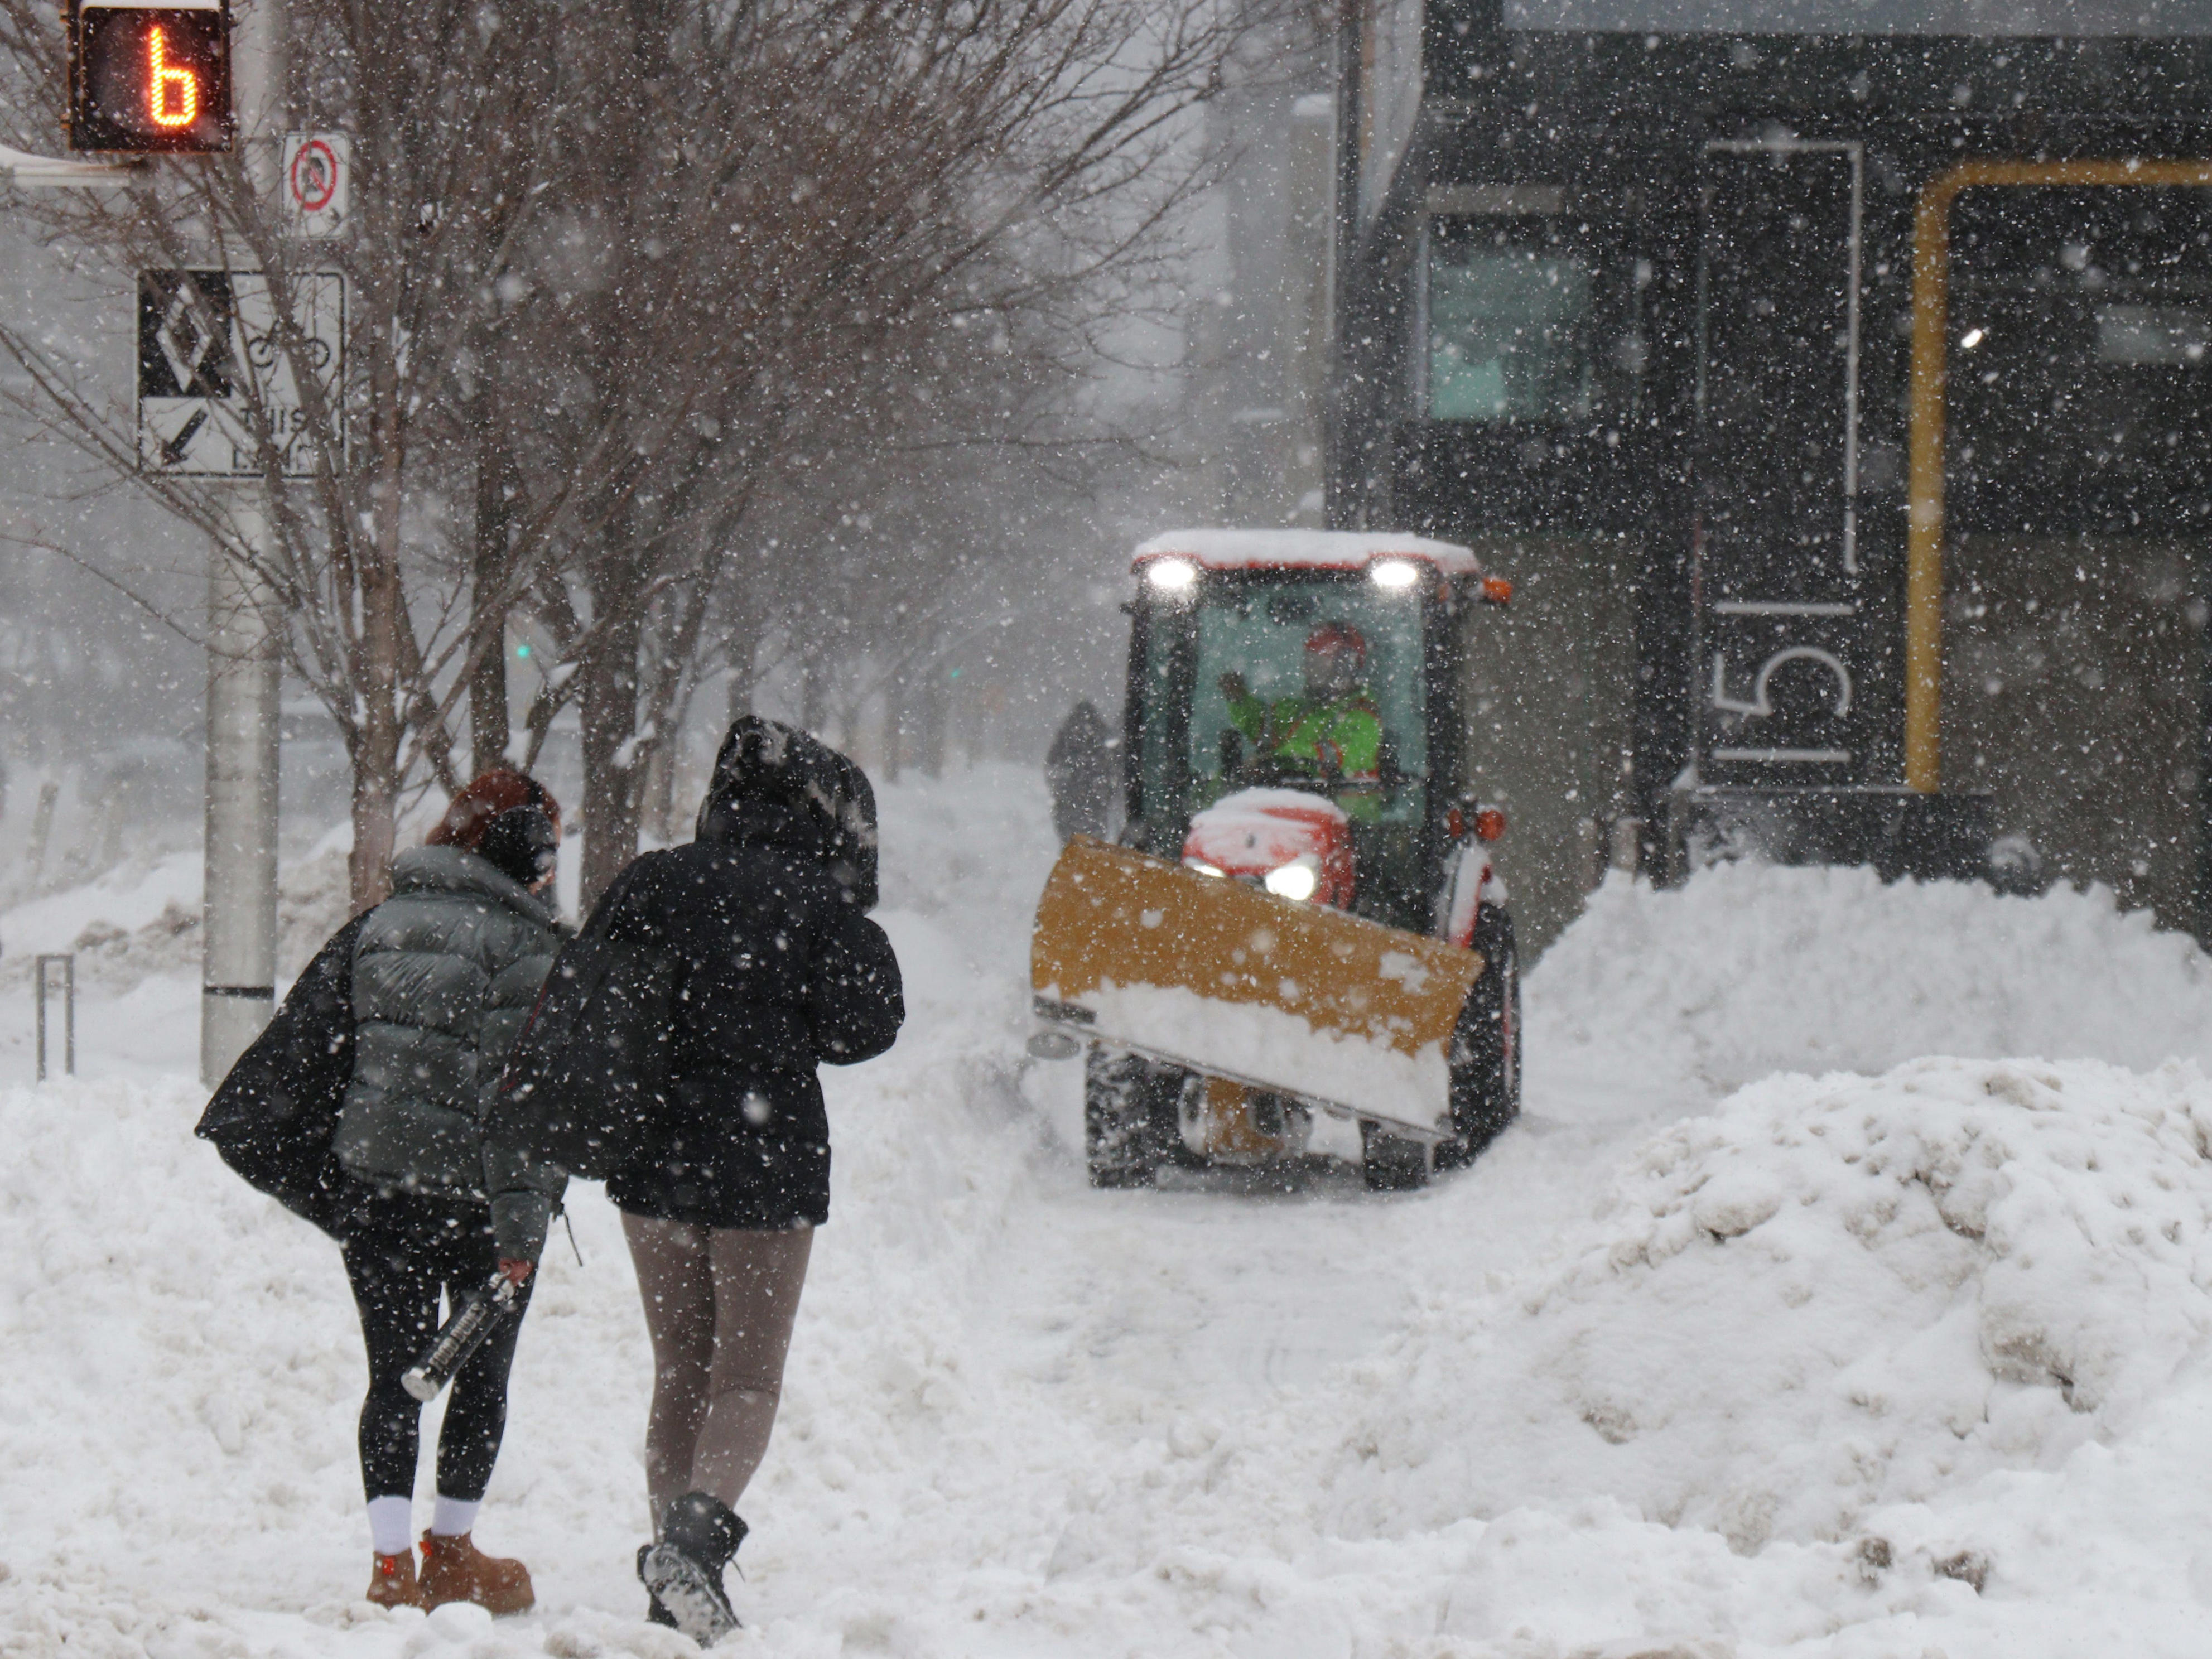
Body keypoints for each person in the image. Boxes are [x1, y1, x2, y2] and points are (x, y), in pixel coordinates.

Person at [494, 717, 903, 1645]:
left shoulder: (654, 880)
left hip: (656, 1161)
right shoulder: (815, 899)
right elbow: (866, 1026)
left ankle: (666, 1568)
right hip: (767, 1168)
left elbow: (587, 995)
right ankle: (696, 1543)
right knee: (746, 1377)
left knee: (680, 1366)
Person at [332, 769, 567, 1613]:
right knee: (481, 1374)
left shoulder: (383, 921)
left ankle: (391, 1565)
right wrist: (522, 1227)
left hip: (378, 1189)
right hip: (477, 1197)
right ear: (528, 852)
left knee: (392, 1374)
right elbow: (519, 1102)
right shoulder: (526, 944)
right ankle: (455, 1551)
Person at [1217, 620, 1386, 794]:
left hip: (1348, 816)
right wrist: (1239, 700)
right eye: (1307, 661)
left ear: (1344, 666)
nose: (1307, 669)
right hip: (1291, 808)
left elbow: (1338, 758)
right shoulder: (1298, 710)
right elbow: (1260, 726)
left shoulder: (1364, 717)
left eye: (1316, 662)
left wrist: (1273, 758)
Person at [1044, 699, 1116, 842]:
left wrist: (1062, 791)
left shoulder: (1065, 739)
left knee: (1071, 843)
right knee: (1094, 845)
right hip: (1094, 803)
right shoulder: (1101, 739)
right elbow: (1111, 770)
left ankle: (1074, 859)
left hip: (1070, 804)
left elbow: (1052, 767)